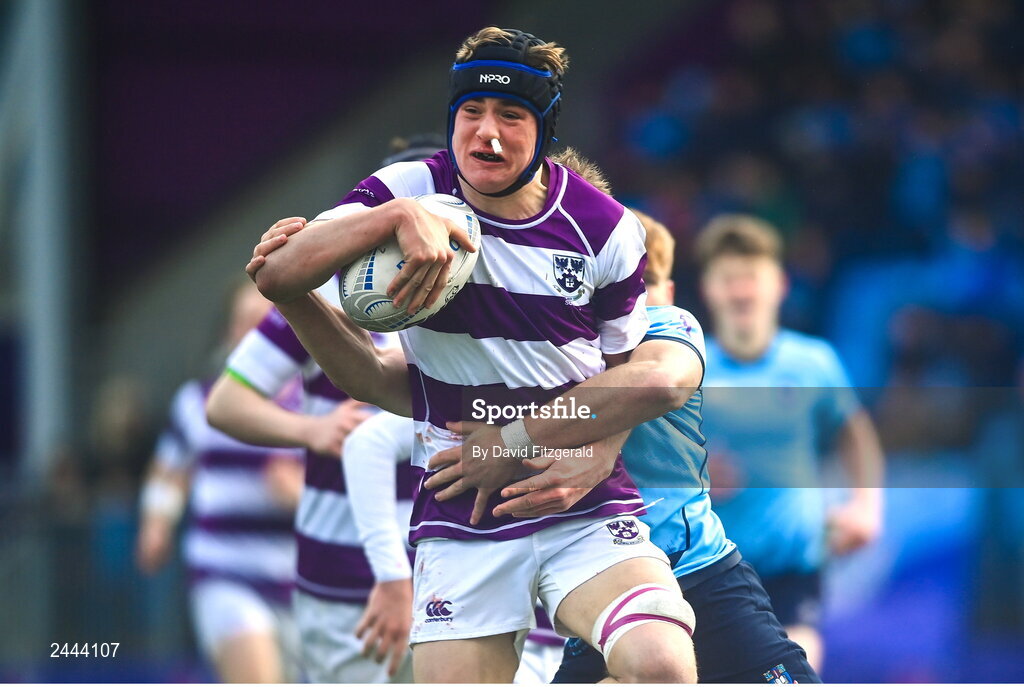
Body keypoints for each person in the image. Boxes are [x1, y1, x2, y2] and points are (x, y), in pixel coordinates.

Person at [246, 27, 702, 683]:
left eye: (511, 116)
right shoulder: (406, 183)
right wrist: (395, 218)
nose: (486, 133)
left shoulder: (605, 229)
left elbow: (626, 378)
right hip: (460, 508)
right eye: (471, 113)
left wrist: (596, 450)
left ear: (543, 129)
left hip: (577, 499)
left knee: (661, 664)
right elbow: (282, 272)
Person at [531, 207, 820, 682]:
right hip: (608, 581)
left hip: (699, 573)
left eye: (648, 285)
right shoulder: (555, 349)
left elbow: (652, 385)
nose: (639, 299)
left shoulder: (671, 327)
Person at [205, 138, 452, 682]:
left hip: (456, 574)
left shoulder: (486, 301)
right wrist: (311, 429)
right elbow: (225, 404)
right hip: (344, 584)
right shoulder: (327, 295)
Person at [696, 214, 885, 671]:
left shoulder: (813, 362)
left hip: (792, 566)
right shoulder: (687, 368)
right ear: (708, 289)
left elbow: (855, 433)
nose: (741, 291)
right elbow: (645, 458)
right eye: (729, 279)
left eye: (751, 278)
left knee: (801, 666)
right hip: (709, 567)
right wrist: (693, 472)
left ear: (778, 285)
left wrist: (867, 507)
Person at [136, 279, 304, 683]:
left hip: (303, 586)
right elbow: (170, 471)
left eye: (264, 322)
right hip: (225, 574)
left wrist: (296, 492)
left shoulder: (315, 400)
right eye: (242, 322)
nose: (250, 334)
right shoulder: (198, 401)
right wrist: (156, 523)